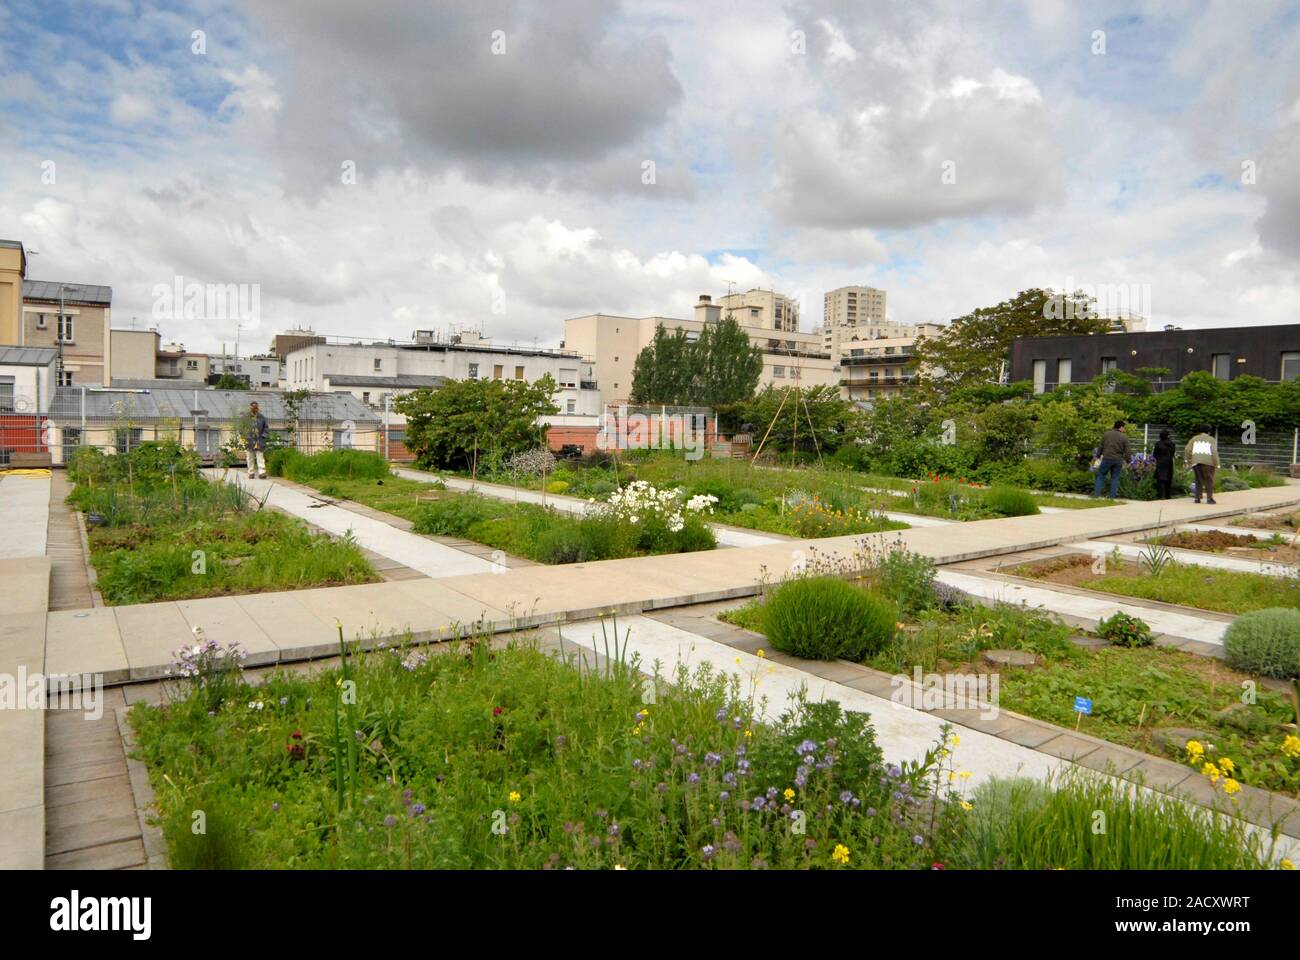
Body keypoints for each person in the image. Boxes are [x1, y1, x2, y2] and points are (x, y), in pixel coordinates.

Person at [1093, 419, 1131, 499]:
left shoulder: (1106, 434)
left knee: (1101, 476)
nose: (1124, 429)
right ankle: (1112, 497)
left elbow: (1101, 447)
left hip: (1106, 458)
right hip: (1118, 460)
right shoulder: (1124, 437)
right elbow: (1127, 451)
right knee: (1115, 478)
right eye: (1124, 427)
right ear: (1121, 427)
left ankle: (1096, 495)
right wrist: (1128, 461)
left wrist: (1098, 455)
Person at [1184, 426, 1220, 504]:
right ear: (1209, 432)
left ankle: (1197, 498)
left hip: (1195, 462)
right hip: (1208, 462)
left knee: (1198, 479)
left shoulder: (1194, 438)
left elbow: (1187, 449)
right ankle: (1209, 498)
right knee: (1209, 480)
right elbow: (1213, 452)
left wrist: (1188, 460)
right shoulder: (1211, 439)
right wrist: (1217, 463)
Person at [246, 401, 269, 479]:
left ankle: (262, 472)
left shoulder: (261, 417)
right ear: (250, 408)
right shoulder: (246, 417)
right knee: (250, 456)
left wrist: (263, 436)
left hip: (259, 439)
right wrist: (246, 436)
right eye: (253, 407)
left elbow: (266, 427)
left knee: (260, 455)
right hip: (249, 439)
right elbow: (241, 428)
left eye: (256, 407)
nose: (255, 409)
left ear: (257, 408)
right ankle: (251, 473)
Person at [1152, 429, 1176, 500]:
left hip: (1160, 462)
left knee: (1160, 479)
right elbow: (1172, 454)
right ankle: (1168, 495)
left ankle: (1160, 495)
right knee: (1168, 479)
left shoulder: (1158, 444)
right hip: (1169, 462)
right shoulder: (1172, 444)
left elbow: (1155, 454)